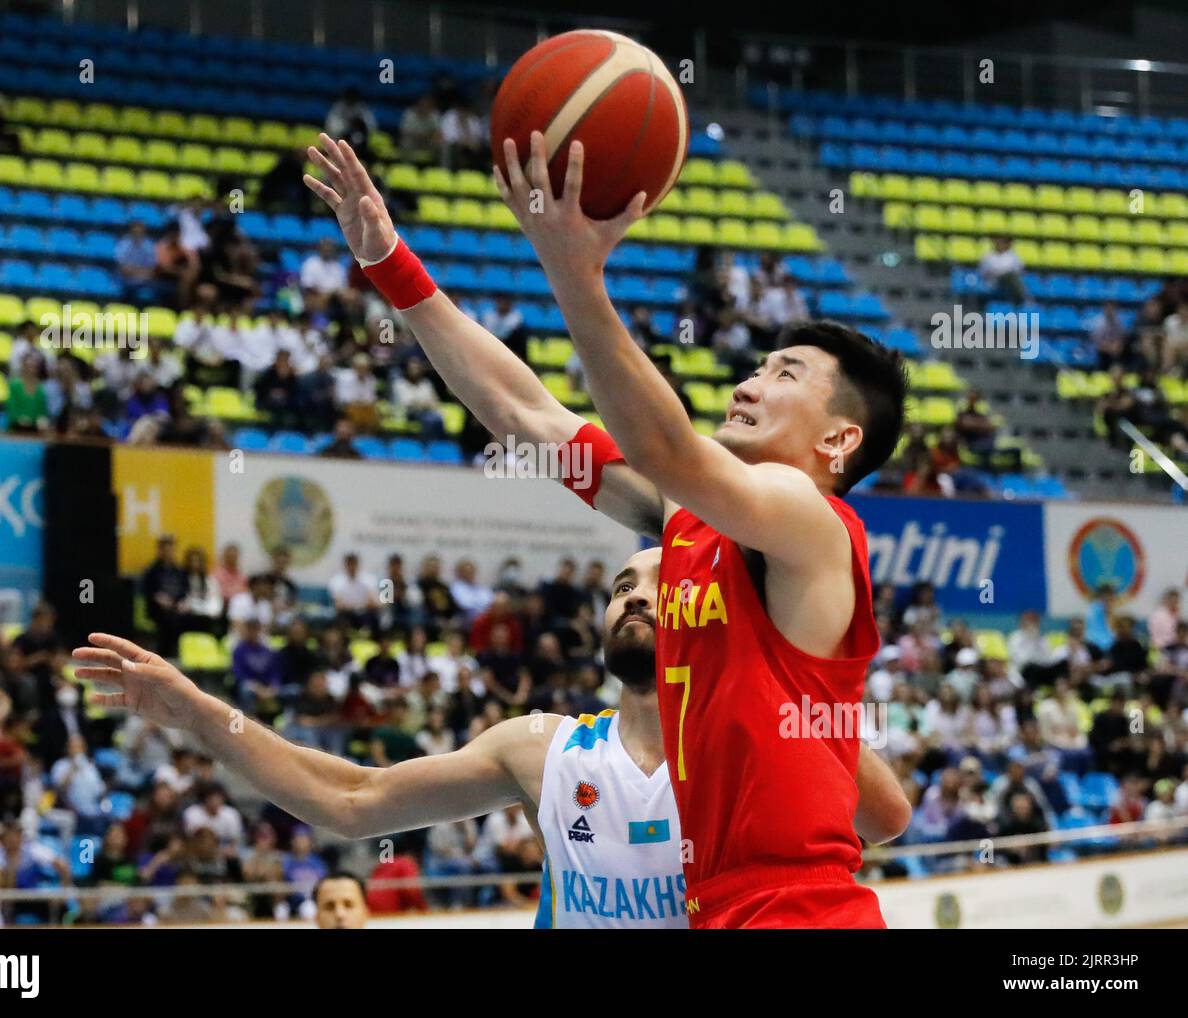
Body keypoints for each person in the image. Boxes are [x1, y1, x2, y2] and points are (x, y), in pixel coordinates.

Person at [302, 134, 908, 928]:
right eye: (758, 365)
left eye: (785, 374)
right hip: (716, 906)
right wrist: (391, 265)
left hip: (797, 910)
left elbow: (665, 447)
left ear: (838, 441)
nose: (750, 381)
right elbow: (524, 414)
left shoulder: (812, 518)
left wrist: (576, 272)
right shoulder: (690, 521)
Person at [72, 547, 910, 930]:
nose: (634, 596)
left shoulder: (764, 747)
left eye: (665, 583)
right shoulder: (541, 748)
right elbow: (352, 799)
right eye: (621, 585)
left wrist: (765, 667)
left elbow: (885, 816)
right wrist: (200, 715)